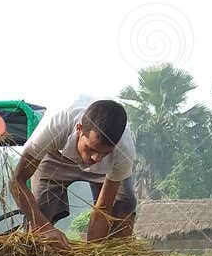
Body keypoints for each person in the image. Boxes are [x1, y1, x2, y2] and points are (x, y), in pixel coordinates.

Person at [10, 99, 138, 243]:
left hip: (107, 167)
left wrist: (94, 253)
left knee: (123, 202)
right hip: (56, 155)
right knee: (40, 211)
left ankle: (115, 255)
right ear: (79, 129)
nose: (96, 158)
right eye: (91, 149)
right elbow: (16, 181)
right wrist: (44, 227)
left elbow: (104, 207)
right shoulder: (56, 125)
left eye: (105, 153)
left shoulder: (124, 150)